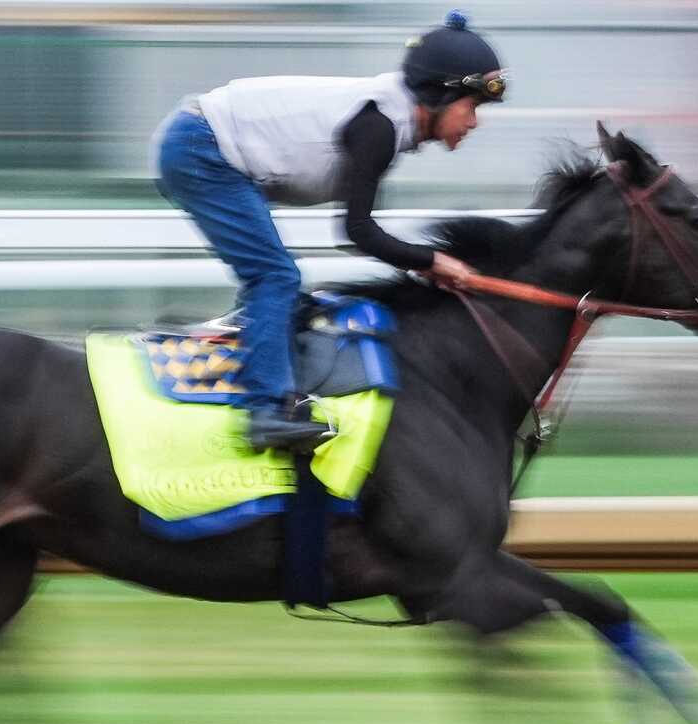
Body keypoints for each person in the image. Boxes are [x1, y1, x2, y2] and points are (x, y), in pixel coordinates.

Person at [153, 10, 507, 451]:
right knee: (276, 277)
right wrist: (433, 262)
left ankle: (263, 375)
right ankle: (265, 411)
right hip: (199, 148)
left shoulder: (386, 120)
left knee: (284, 289)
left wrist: (424, 264)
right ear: (437, 95)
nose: (474, 122)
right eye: (472, 107)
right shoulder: (378, 125)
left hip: (200, 142)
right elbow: (357, 231)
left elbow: (357, 233)